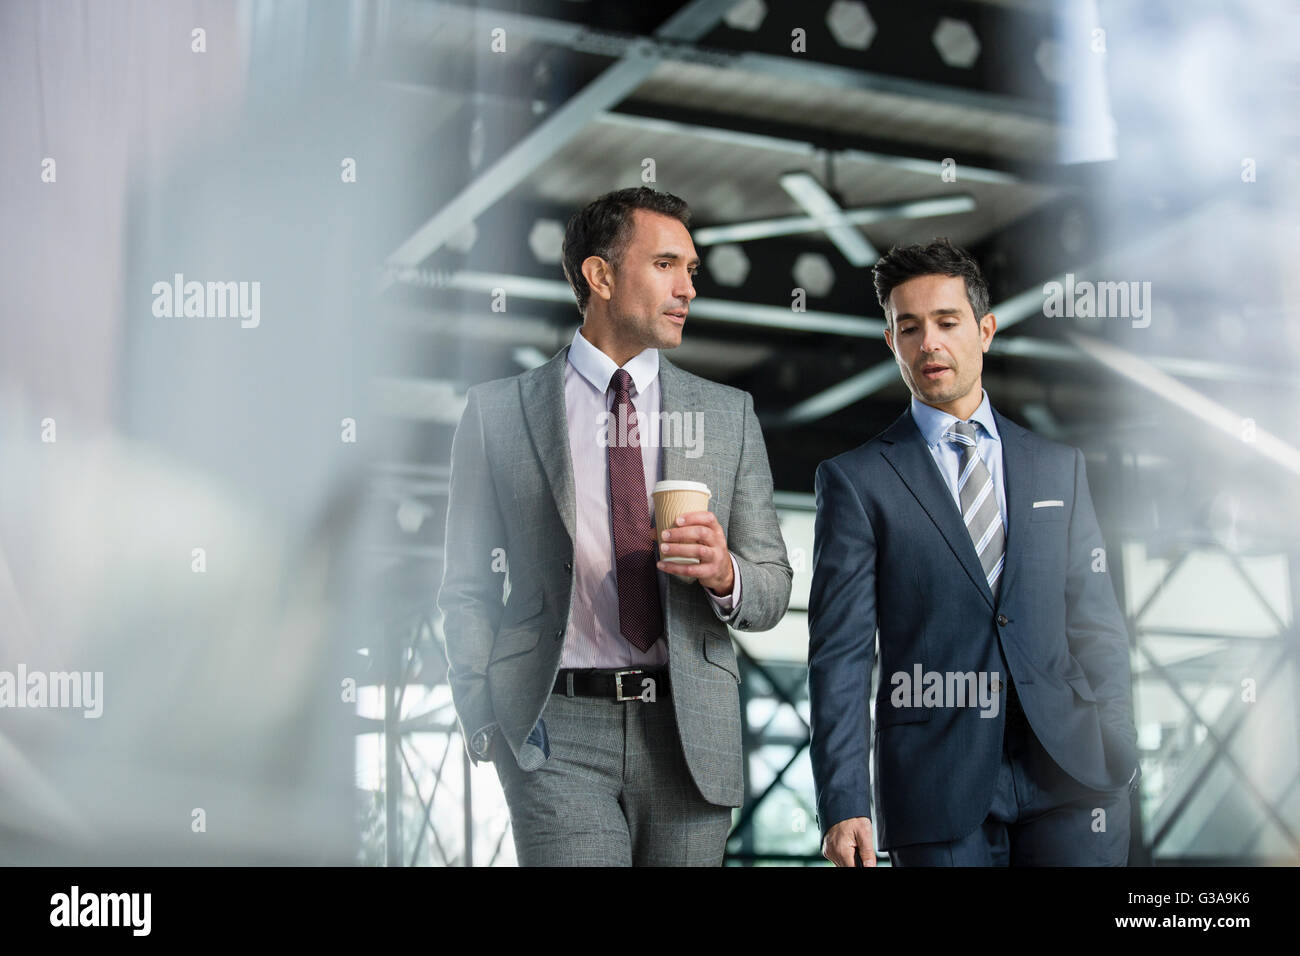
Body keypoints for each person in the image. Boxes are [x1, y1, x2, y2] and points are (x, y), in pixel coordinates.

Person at [438, 186, 792, 866]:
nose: (688, 287)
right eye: (666, 265)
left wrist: (726, 574)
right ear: (600, 276)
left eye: (692, 269)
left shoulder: (727, 415)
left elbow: (773, 584)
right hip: (554, 727)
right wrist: (481, 715)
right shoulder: (500, 414)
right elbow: (465, 585)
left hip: (690, 732)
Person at [808, 238, 1141, 867]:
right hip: (936, 782)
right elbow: (841, 655)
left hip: (1072, 772)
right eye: (909, 328)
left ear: (984, 330)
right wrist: (844, 797)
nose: (929, 342)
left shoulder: (1057, 468)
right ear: (892, 343)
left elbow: (1096, 622)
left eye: (946, 322)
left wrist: (1117, 741)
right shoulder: (856, 481)